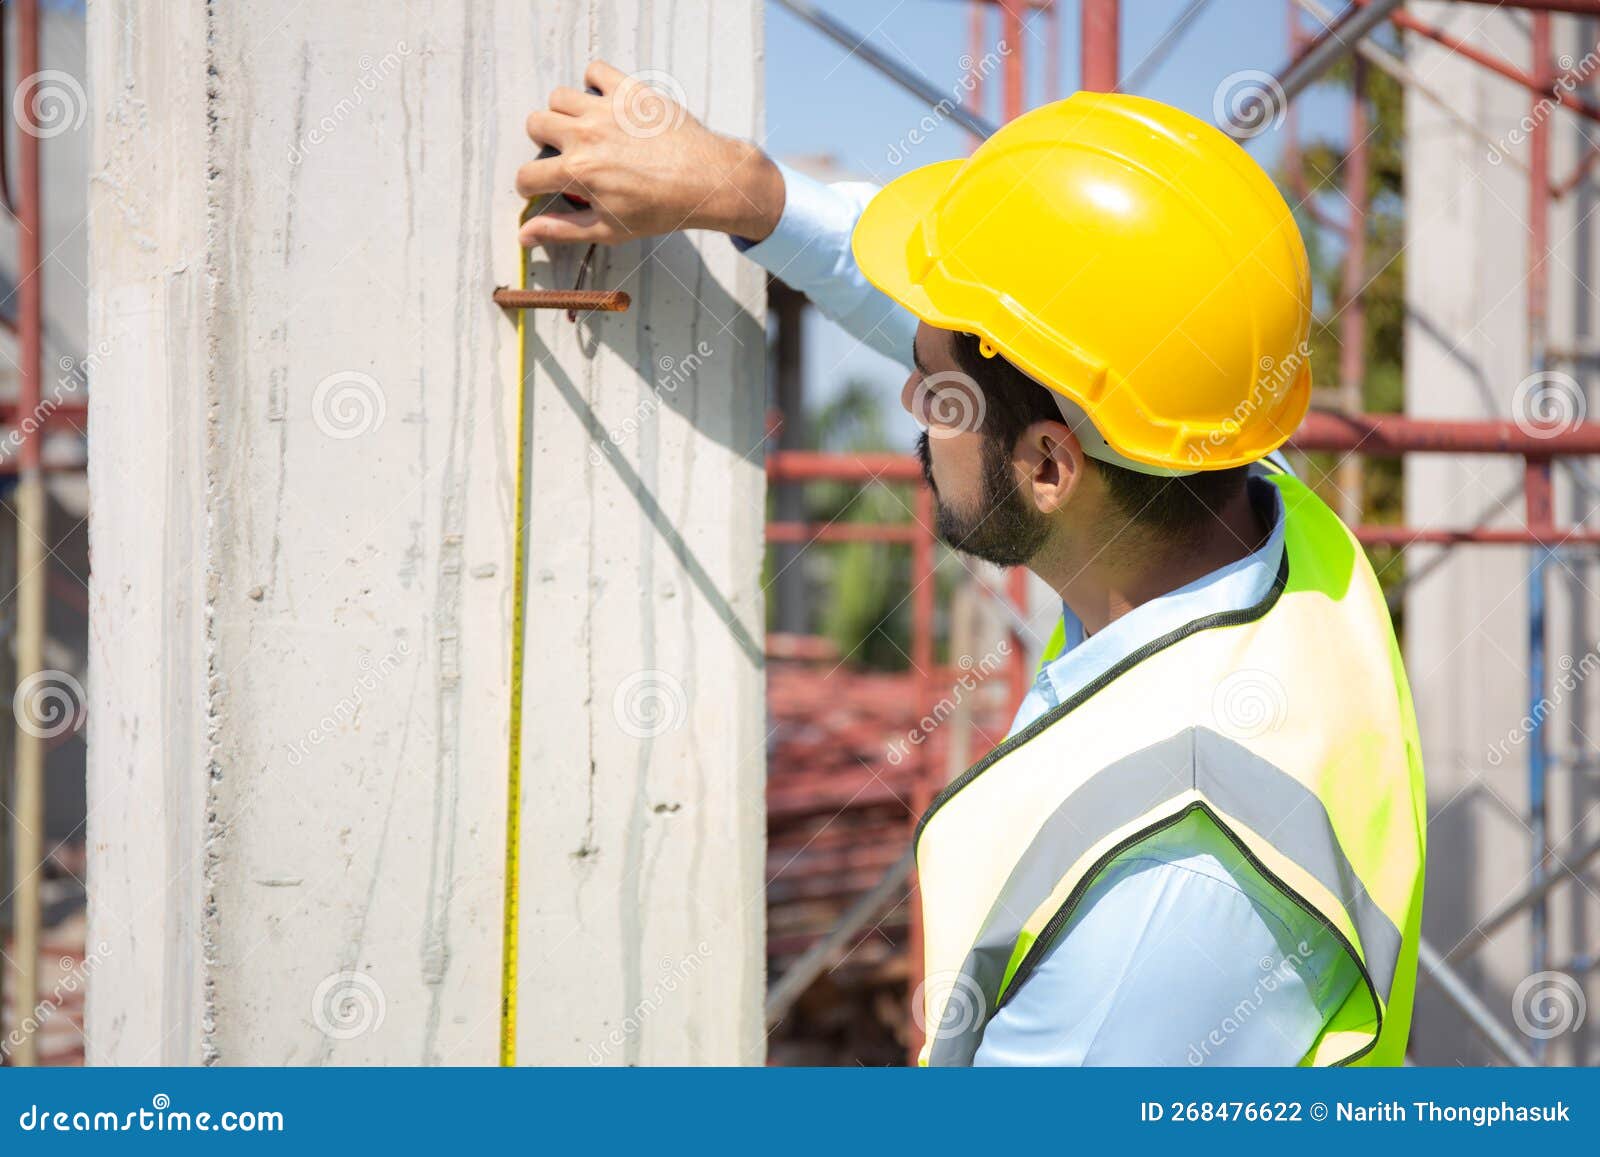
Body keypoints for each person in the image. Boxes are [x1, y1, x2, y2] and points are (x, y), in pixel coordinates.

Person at [518, 61, 1427, 1067]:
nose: (912, 405)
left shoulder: (1164, 881)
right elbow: (1036, 345)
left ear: (1047, 463)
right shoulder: (1241, 490)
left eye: (933, 391)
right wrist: (744, 192)